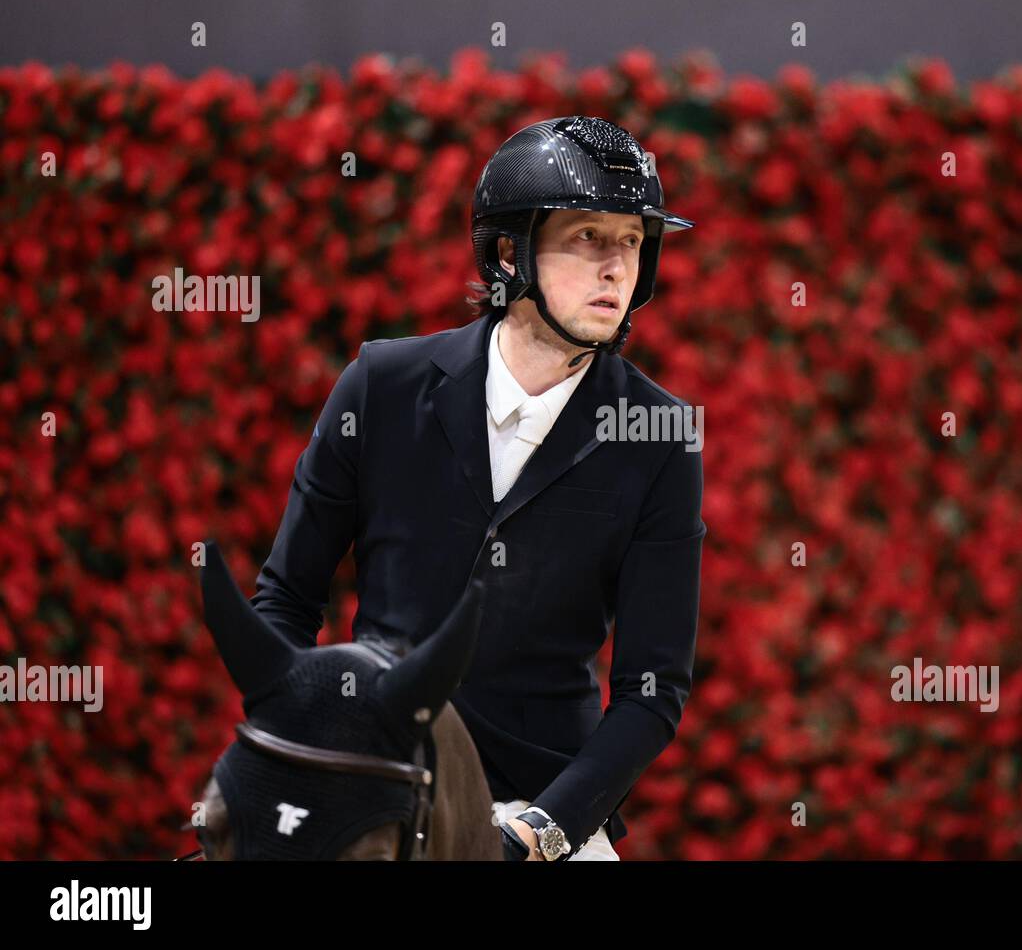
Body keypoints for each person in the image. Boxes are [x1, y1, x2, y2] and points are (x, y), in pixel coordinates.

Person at [250, 115, 705, 861]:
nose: (617, 266)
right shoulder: (380, 386)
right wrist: (307, 749)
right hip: (375, 786)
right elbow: (286, 601)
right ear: (506, 252)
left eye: (632, 240)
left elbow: (653, 694)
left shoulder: (658, 435)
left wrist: (536, 835)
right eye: (589, 236)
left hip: (544, 816)